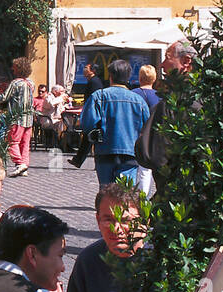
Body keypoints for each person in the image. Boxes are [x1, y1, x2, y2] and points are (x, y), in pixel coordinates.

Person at [67, 180, 144, 292]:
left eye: (126, 221)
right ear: (97, 220)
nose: (117, 229)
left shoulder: (161, 258)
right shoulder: (88, 260)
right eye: (108, 220)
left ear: (144, 221)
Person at [136, 39, 197, 191]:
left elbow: (150, 154)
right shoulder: (211, 98)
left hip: (175, 192)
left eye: (167, 58)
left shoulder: (173, 103)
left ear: (186, 62)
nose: (162, 65)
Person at [80, 58, 150, 187]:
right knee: (124, 194)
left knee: (106, 192)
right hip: (129, 152)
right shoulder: (138, 101)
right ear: (128, 77)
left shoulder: (99, 96)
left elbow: (87, 123)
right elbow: (147, 128)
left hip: (105, 150)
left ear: (110, 76)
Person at [0, 57, 36, 177]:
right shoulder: (31, 83)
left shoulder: (15, 83)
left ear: (19, 68)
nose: (12, 69)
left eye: (14, 67)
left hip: (17, 118)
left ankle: (19, 164)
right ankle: (24, 164)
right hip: (29, 118)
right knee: (25, 143)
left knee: (12, 141)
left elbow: (4, 97)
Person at [130, 65, 161, 193]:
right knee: (145, 170)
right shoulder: (160, 96)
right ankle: (144, 198)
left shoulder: (132, 94)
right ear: (154, 78)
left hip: (134, 133)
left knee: (130, 168)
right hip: (152, 135)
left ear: (140, 77)